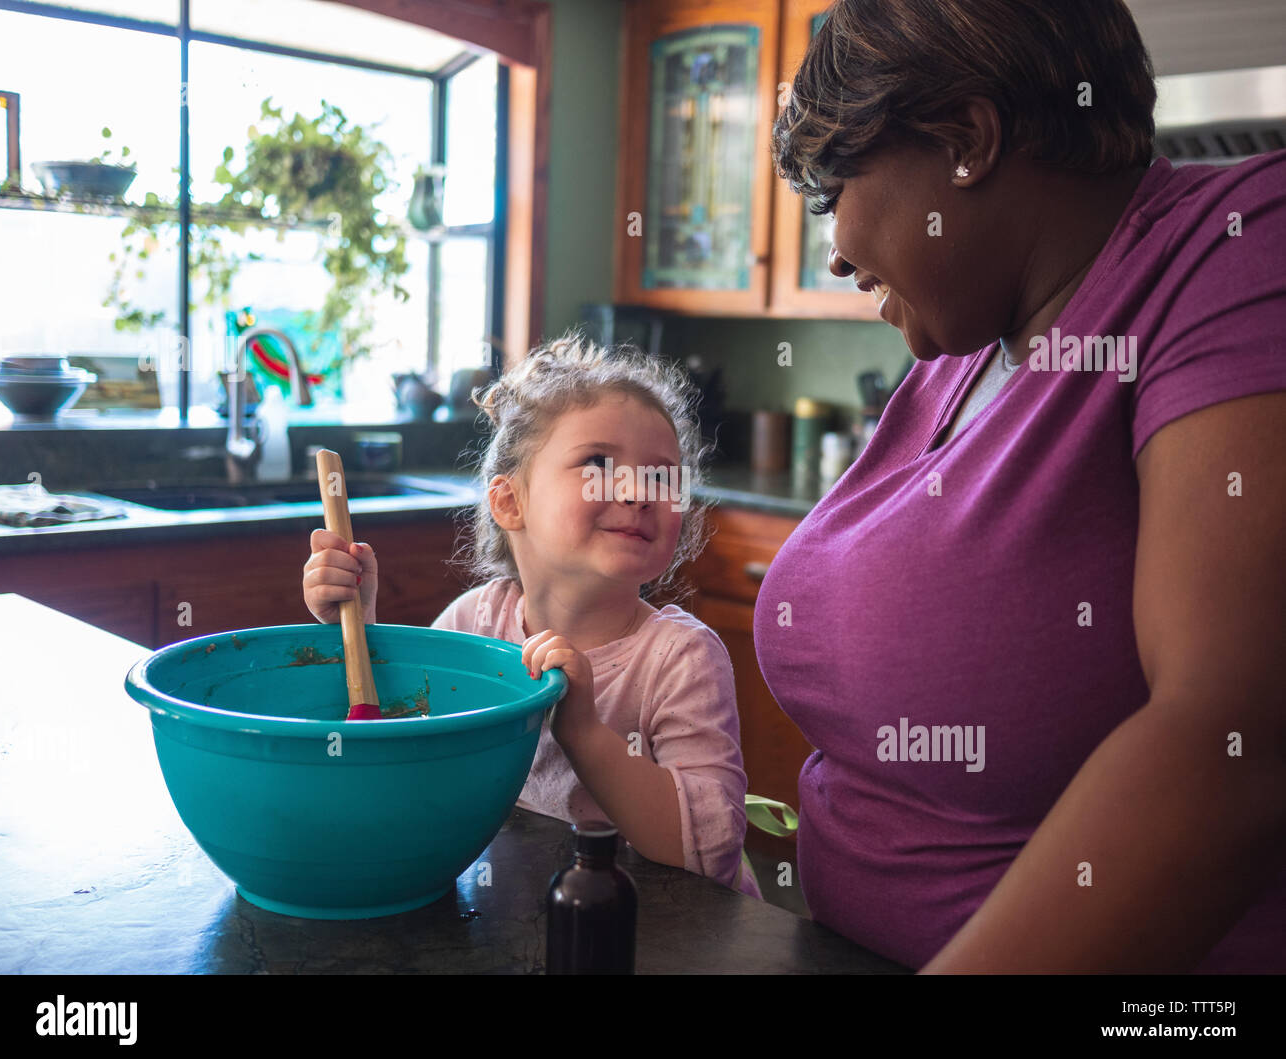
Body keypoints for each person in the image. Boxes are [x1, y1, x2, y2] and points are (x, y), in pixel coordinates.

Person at [763, 0, 1286, 972]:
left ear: (966, 140)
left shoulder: (1239, 249)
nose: (832, 249)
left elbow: (1230, 747)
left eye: (834, 186)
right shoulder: (960, 342)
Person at [304, 334, 762, 899]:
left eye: (662, 476)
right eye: (598, 462)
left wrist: (584, 733)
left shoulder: (680, 659)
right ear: (509, 502)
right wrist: (357, 628)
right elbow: (404, 758)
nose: (639, 491)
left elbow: (709, 854)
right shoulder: (475, 621)